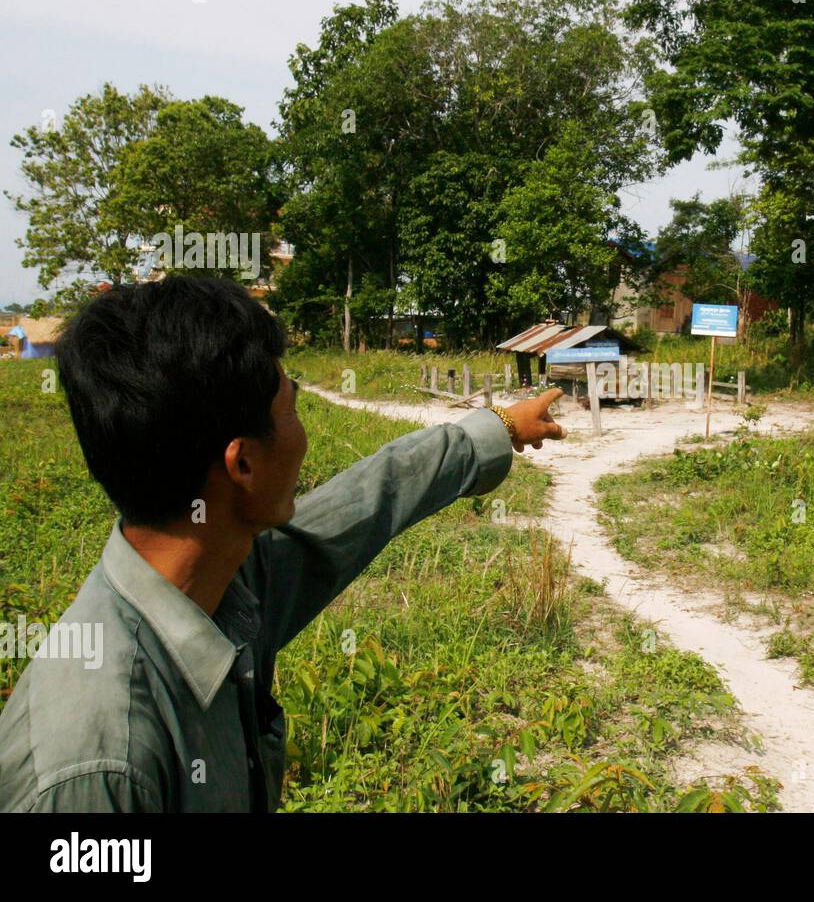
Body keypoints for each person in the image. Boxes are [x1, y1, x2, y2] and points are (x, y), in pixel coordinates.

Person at [0, 276, 566, 811]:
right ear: (242, 463)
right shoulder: (94, 766)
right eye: (292, 408)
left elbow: (365, 502)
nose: (302, 434)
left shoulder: (218, 581)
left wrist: (500, 427)